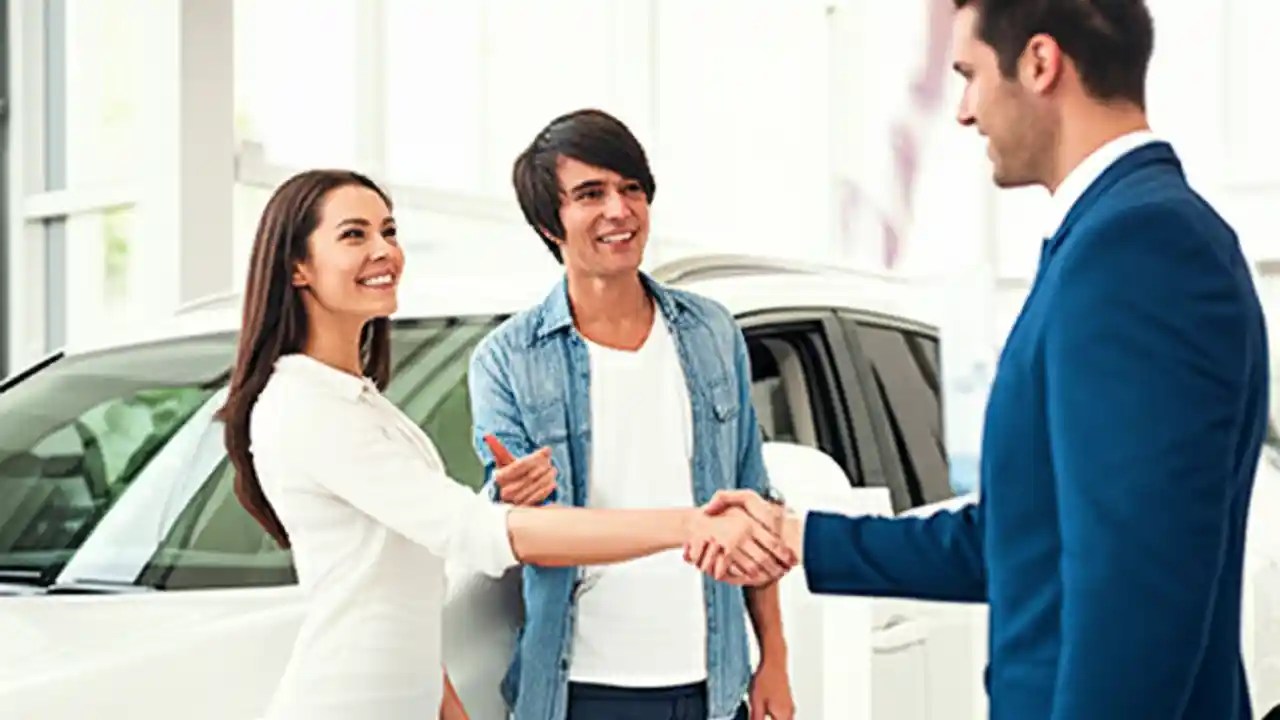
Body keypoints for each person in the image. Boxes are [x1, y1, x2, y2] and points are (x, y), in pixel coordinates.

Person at [696, 1, 1269, 718]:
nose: (964, 111)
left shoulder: (1140, 250)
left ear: (1039, 63)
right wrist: (799, 535)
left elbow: (1138, 593)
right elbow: (1023, 539)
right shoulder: (1108, 240)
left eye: (969, 75)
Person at [217, 169, 792, 720]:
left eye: (389, 231)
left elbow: (394, 592)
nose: (384, 250)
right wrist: (689, 525)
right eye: (353, 235)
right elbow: (475, 533)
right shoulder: (306, 407)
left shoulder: (358, 402)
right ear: (298, 267)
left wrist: (449, 709)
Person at [467, 109, 796, 720]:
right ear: (549, 222)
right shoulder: (506, 359)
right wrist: (505, 499)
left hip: (713, 684)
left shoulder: (711, 332)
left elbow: (754, 498)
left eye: (631, 190)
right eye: (590, 194)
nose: (618, 210)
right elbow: (510, 531)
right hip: (578, 689)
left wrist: (772, 655)